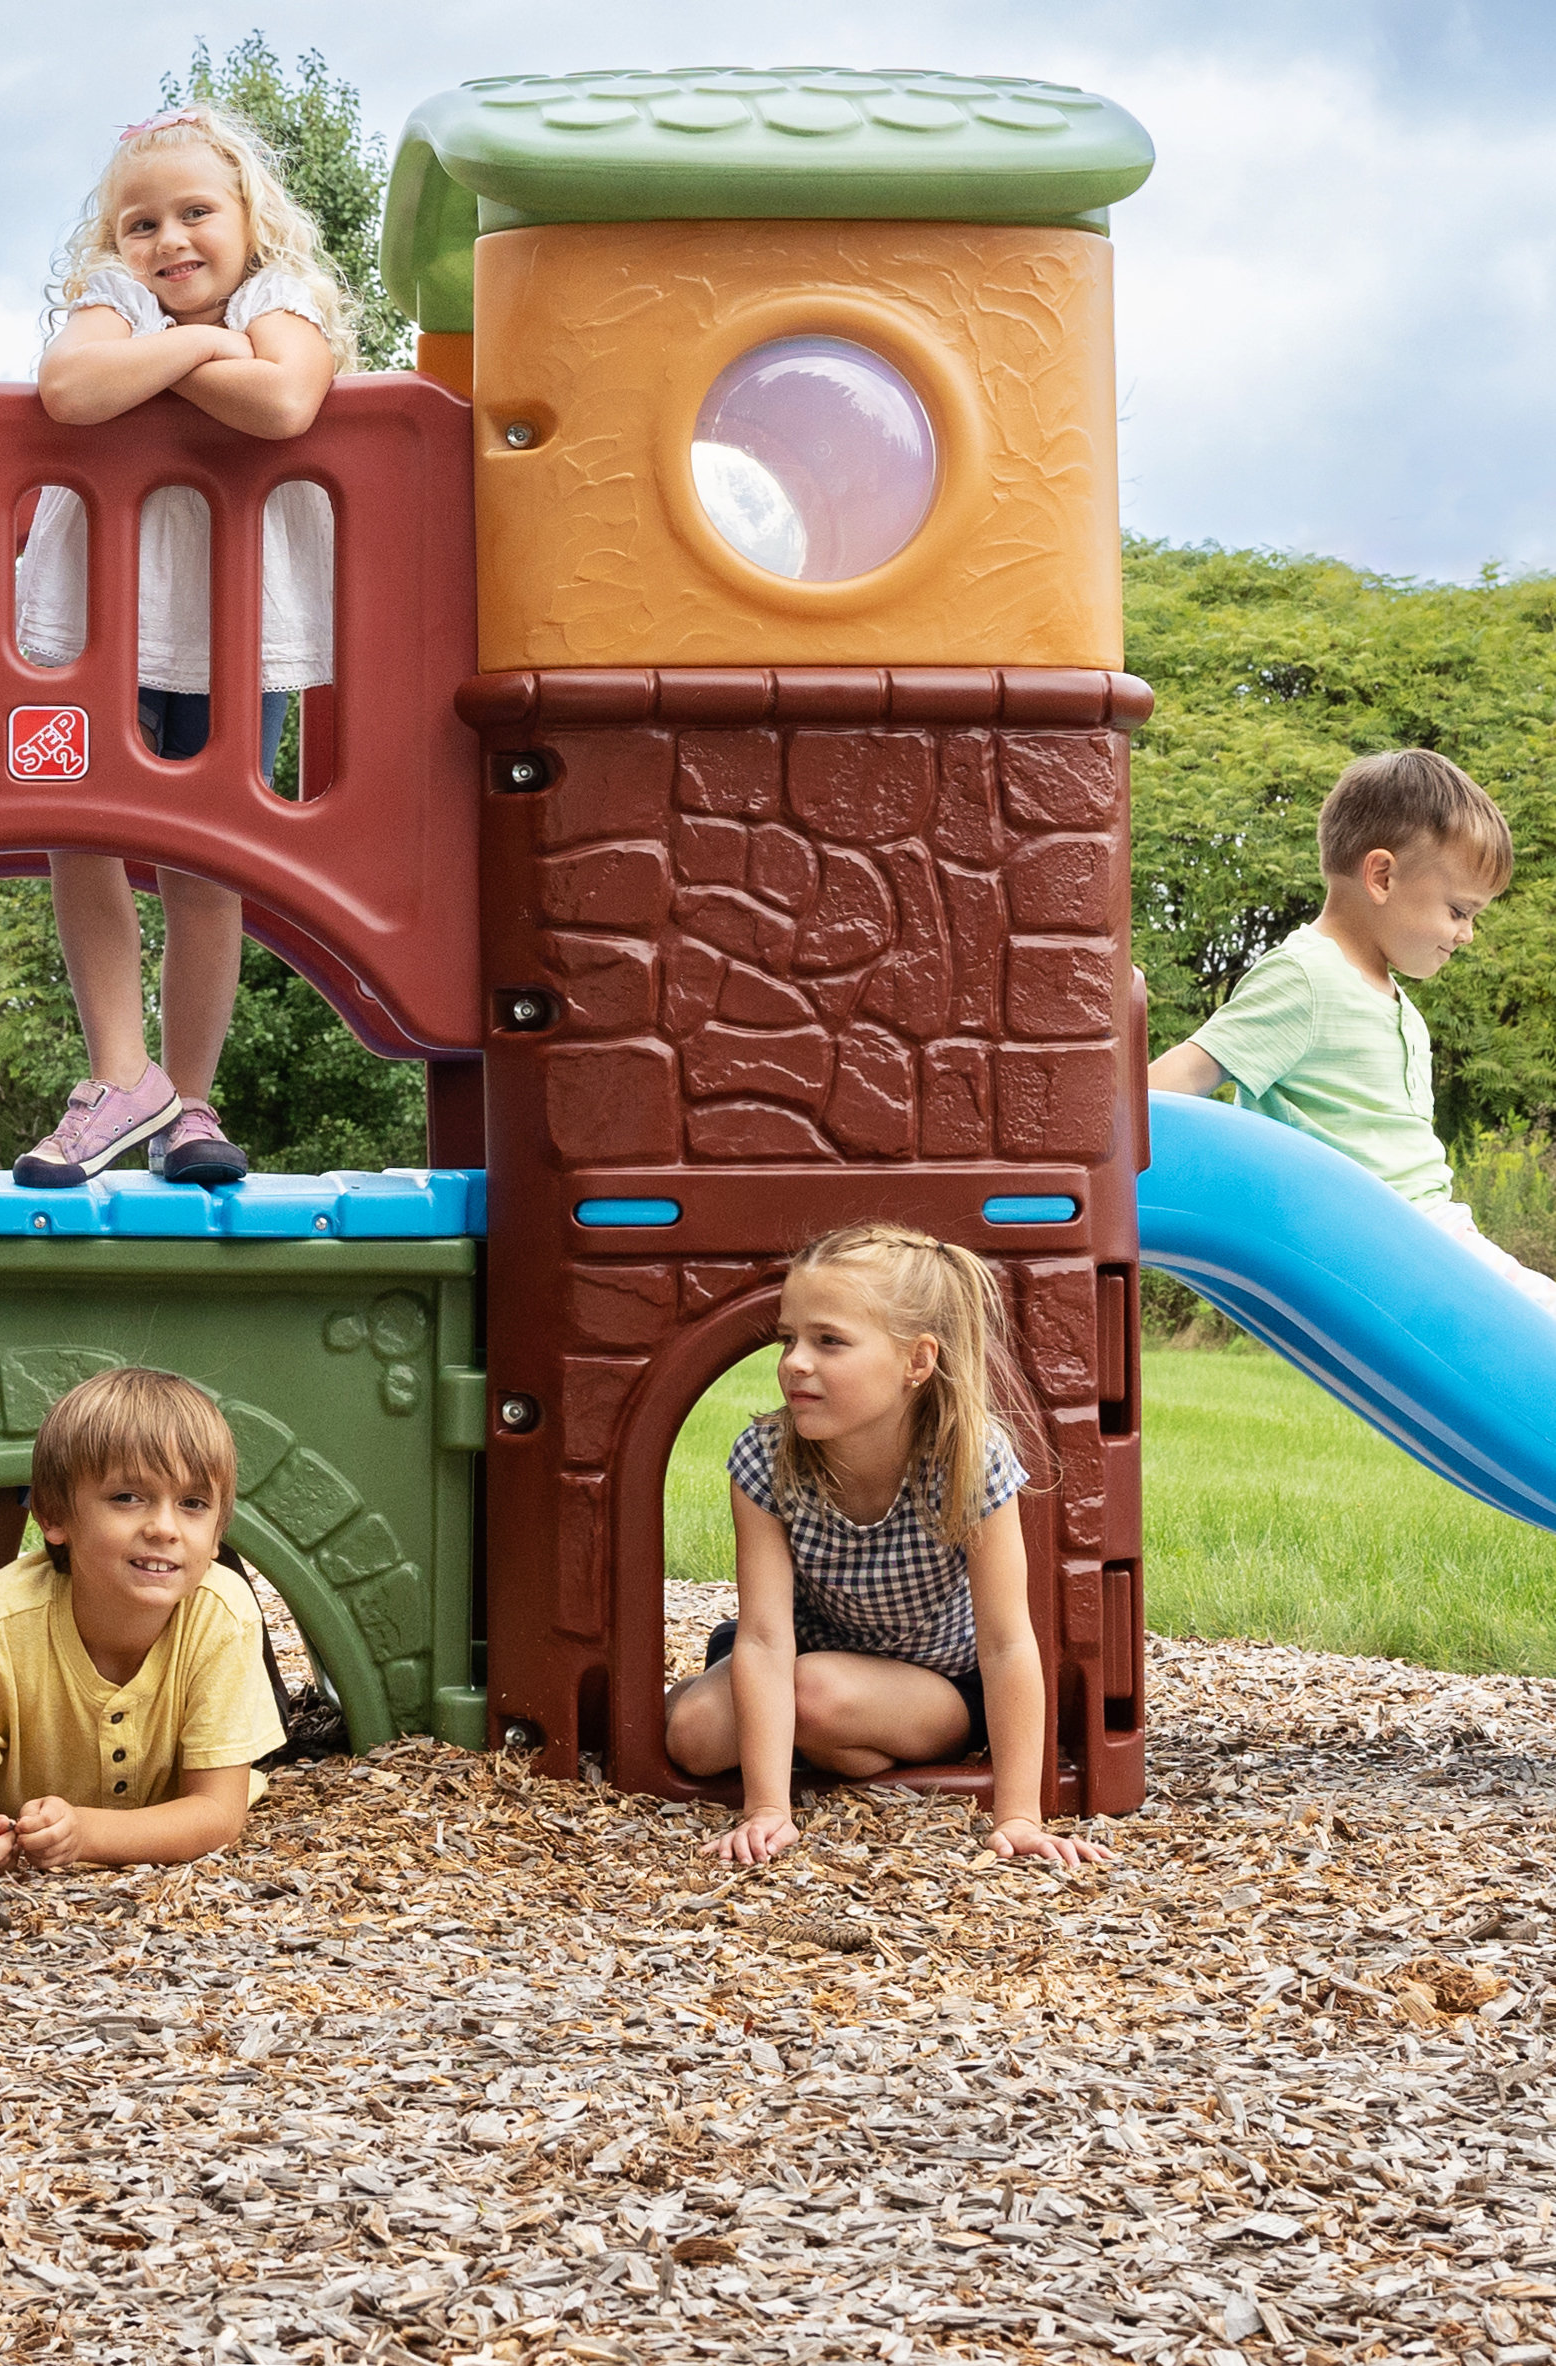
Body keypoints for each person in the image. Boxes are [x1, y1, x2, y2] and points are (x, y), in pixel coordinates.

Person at [10, 104, 350, 1188]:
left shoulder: (278, 299)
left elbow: (283, 397)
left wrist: (159, 362)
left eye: (196, 212)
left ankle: (187, 1100)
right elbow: (71, 388)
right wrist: (201, 345)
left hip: (232, 632)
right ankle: (122, 1074)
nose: (169, 240)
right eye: (140, 223)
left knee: (206, 860)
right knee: (79, 835)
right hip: (93, 626)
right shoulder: (112, 300)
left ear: (251, 218)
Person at [664, 1223, 1111, 1870]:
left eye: (829, 1341)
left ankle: (823, 1738)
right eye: (789, 1338)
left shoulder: (970, 1461)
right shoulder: (766, 1459)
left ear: (917, 1362)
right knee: (690, 1734)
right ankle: (837, 1749)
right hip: (804, 1655)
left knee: (813, 1693)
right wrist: (766, 1809)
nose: (795, 1362)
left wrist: (1019, 1816)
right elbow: (763, 1637)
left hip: (934, 1687)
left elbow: (1006, 1642)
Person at [1148, 747, 1550, 1302]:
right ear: (1382, 876)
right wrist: (1084, 1146)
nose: (1467, 934)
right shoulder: (1307, 976)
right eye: (1459, 911)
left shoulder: (1397, 1005)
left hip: (1429, 1237)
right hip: (1385, 1243)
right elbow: (1187, 1074)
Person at [0, 1367, 285, 1875]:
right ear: (54, 1515)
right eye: (127, 1497)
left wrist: (85, 1833)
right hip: (18, 1833)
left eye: (193, 1504)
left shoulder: (222, 1614)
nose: (164, 1528)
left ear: (218, 1535)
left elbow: (217, 1812)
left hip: (128, 1853)